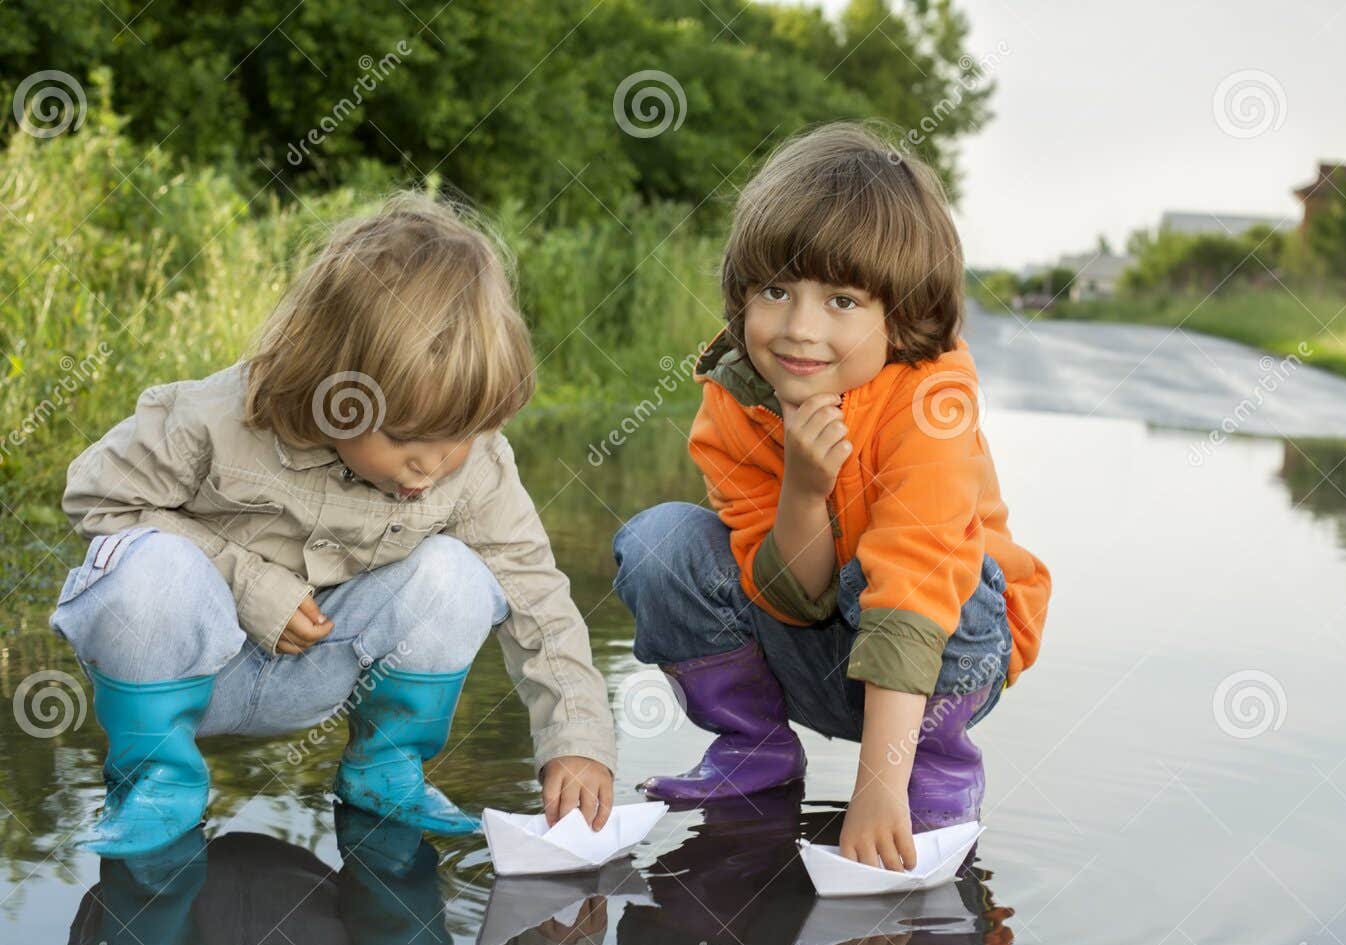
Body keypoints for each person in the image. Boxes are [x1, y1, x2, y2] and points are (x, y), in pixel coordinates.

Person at [50, 192, 617, 857]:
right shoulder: (211, 420)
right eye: (405, 435)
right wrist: (249, 584)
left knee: (458, 575)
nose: (431, 465)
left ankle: (384, 768)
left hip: (320, 673)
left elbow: (535, 593)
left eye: (459, 435)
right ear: (331, 382)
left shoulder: (477, 462)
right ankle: (153, 784)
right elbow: (92, 498)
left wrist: (577, 741)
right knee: (146, 570)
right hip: (187, 670)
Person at [612, 123, 1050, 870]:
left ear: (900, 314)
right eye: (775, 291)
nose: (798, 329)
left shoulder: (932, 396)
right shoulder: (736, 401)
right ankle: (754, 746)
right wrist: (805, 492)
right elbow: (792, 599)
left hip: (944, 658)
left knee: (960, 575)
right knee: (661, 543)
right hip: (818, 645)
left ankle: (933, 772)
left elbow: (914, 582)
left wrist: (876, 787)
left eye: (842, 299)